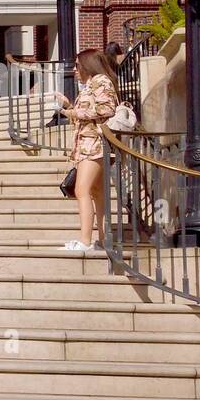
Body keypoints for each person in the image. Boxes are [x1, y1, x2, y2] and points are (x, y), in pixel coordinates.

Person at [56, 49, 119, 251]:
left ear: (87, 64)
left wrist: (75, 112)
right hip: (87, 144)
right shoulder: (91, 84)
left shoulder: (101, 81)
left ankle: (85, 241)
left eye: (77, 65)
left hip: (94, 144)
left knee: (81, 189)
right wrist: (68, 106)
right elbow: (90, 110)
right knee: (97, 191)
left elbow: (107, 108)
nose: (74, 69)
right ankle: (102, 239)